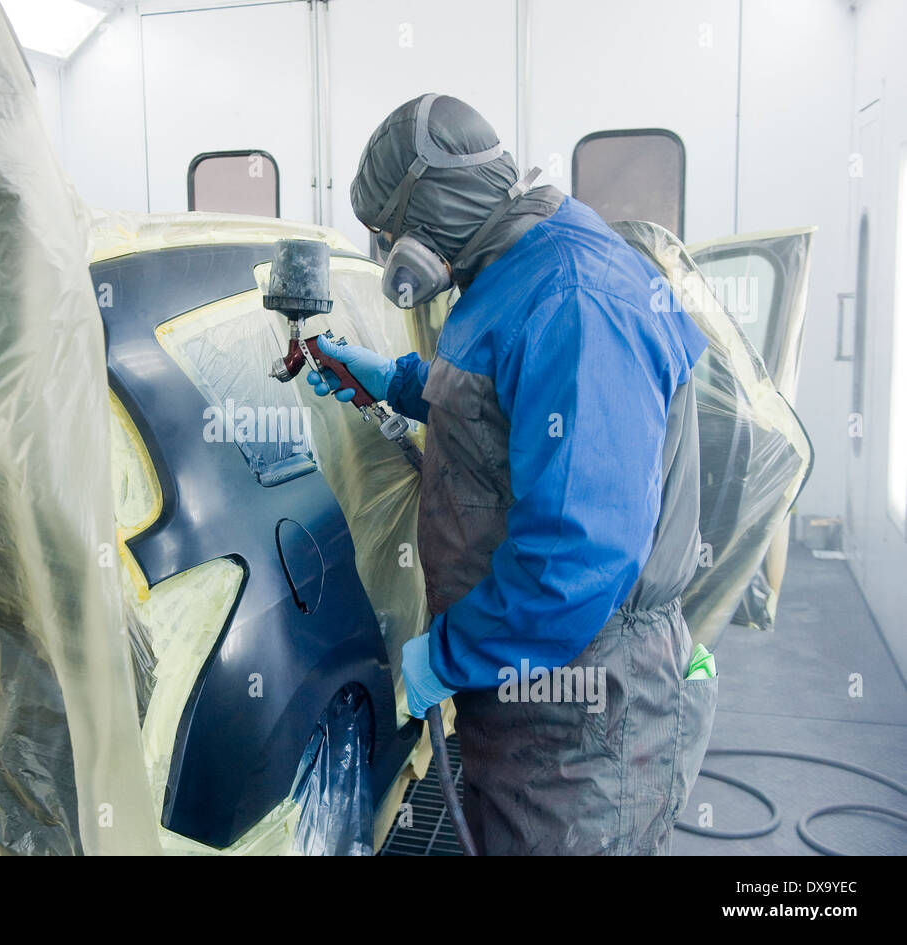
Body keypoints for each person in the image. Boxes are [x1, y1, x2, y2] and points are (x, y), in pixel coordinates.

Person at [307, 94, 717, 855]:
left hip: (586, 705)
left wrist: (452, 653)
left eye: (389, 235)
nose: (389, 254)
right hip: (539, 688)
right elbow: (518, 410)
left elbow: (576, 555)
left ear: (428, 222)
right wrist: (398, 381)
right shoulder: (528, 263)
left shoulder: (576, 302)